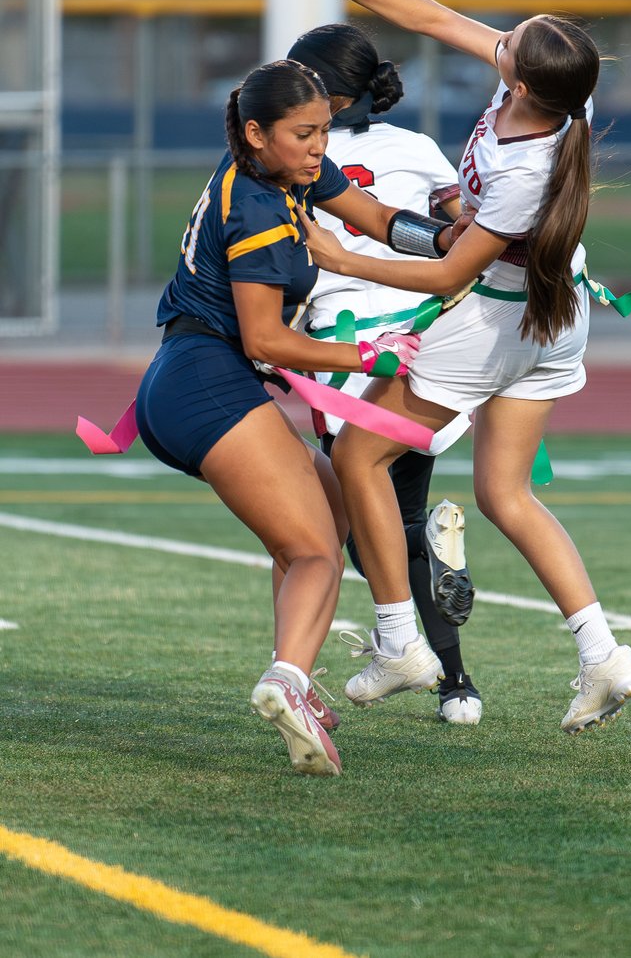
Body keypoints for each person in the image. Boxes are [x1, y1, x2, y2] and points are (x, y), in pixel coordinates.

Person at [265, 0, 631, 735]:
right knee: (506, 494)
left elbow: (449, 274)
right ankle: (605, 656)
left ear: (520, 82)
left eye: (510, 41)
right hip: (555, 312)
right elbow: (434, 18)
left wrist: (340, 257)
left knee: (356, 456)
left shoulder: (523, 171)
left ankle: (400, 643)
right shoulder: (553, 94)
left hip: (498, 317)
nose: (497, 38)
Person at [133, 58, 435, 776]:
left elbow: (376, 219)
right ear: (256, 133)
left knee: (333, 510)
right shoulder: (260, 207)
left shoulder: (279, 167)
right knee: (313, 553)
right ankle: (287, 681)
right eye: (305, 134)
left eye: (325, 130)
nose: (319, 148)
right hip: (206, 383)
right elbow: (266, 341)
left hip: (201, 377)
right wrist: (367, 355)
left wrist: (456, 239)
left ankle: (292, 673)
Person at [286, 21, 482, 725]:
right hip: (420, 338)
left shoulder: (295, 151)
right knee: (396, 515)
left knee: (363, 528)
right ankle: (456, 684)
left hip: (344, 349)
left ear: (325, 93)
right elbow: (459, 235)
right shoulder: (418, 147)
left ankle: (439, 666)